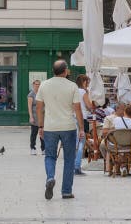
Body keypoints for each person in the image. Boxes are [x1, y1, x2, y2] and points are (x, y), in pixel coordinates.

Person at [36, 60, 84, 201]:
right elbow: (77, 109)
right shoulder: (72, 86)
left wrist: (40, 126)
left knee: (50, 156)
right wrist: (82, 128)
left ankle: (50, 177)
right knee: (69, 159)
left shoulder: (44, 85)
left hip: (50, 127)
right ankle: (66, 191)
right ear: (65, 71)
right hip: (68, 127)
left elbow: (39, 108)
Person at [74, 75, 94, 175]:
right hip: (81, 118)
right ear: (84, 82)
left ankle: (73, 165)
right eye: (88, 82)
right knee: (81, 143)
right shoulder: (83, 92)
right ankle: (77, 166)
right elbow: (89, 106)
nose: (88, 84)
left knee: (75, 143)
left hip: (72, 118)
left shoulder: (73, 91)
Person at [28, 80, 45, 156]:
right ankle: (33, 148)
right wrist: (31, 117)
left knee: (43, 133)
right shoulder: (31, 95)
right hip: (35, 116)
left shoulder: (42, 93)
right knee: (34, 133)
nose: (37, 86)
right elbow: (29, 107)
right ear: (33, 85)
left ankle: (43, 148)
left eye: (39, 84)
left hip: (42, 116)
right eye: (36, 84)